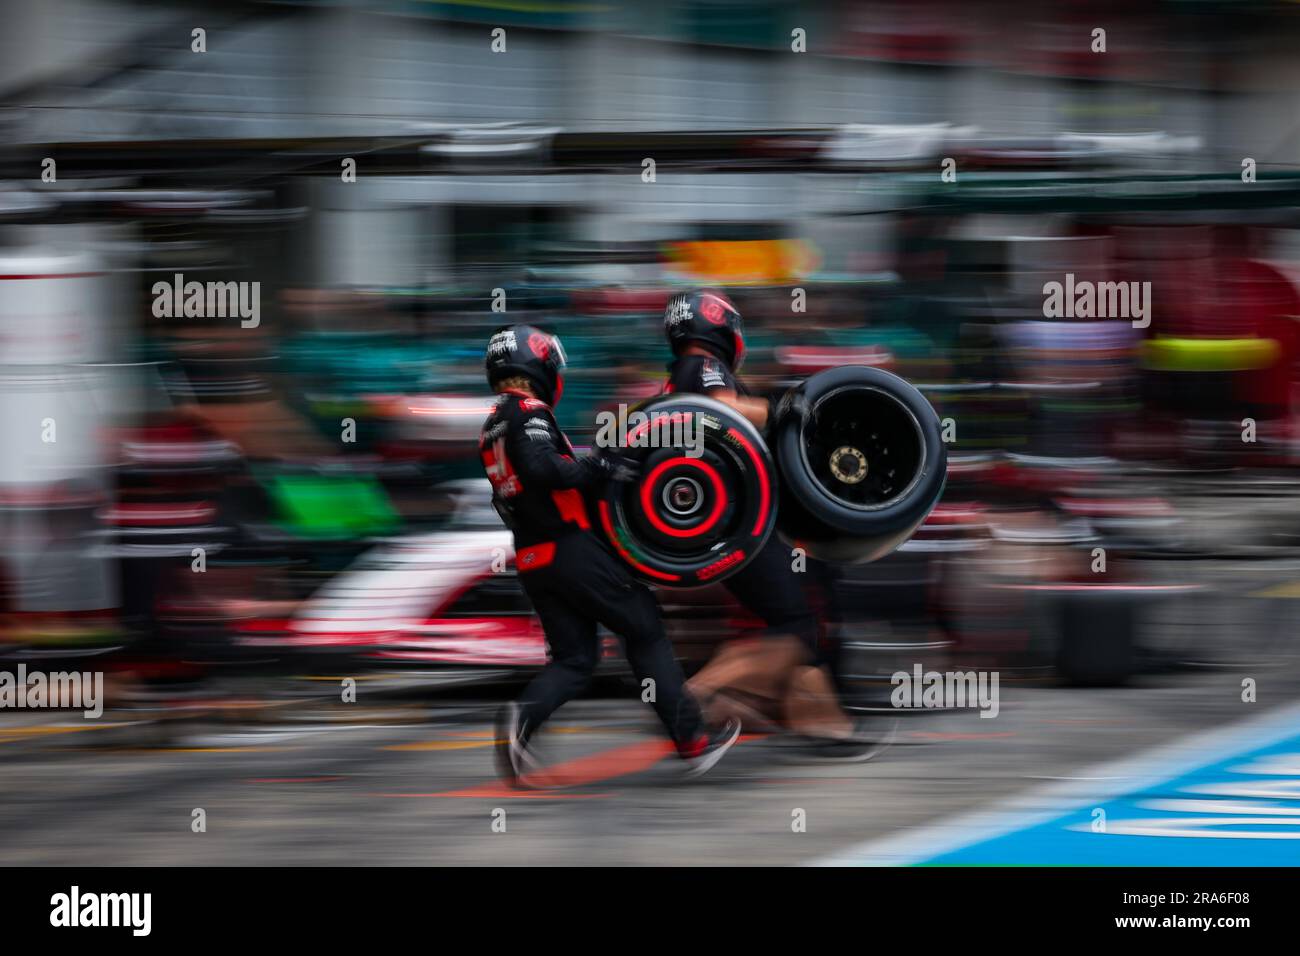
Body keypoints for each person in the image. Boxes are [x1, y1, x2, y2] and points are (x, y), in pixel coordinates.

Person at [480, 324, 740, 787]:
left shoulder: (491, 426)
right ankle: (693, 742)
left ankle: (523, 717)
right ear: (535, 365)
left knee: (574, 661)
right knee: (645, 628)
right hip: (570, 550)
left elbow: (515, 491)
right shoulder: (528, 410)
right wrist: (602, 465)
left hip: (534, 558)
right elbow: (546, 469)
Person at [662, 291, 872, 755]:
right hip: (732, 525)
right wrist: (783, 406)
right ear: (719, 327)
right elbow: (726, 412)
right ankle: (688, 700)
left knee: (798, 621)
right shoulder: (702, 367)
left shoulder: (679, 376)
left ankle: (823, 725)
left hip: (721, 524)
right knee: (795, 628)